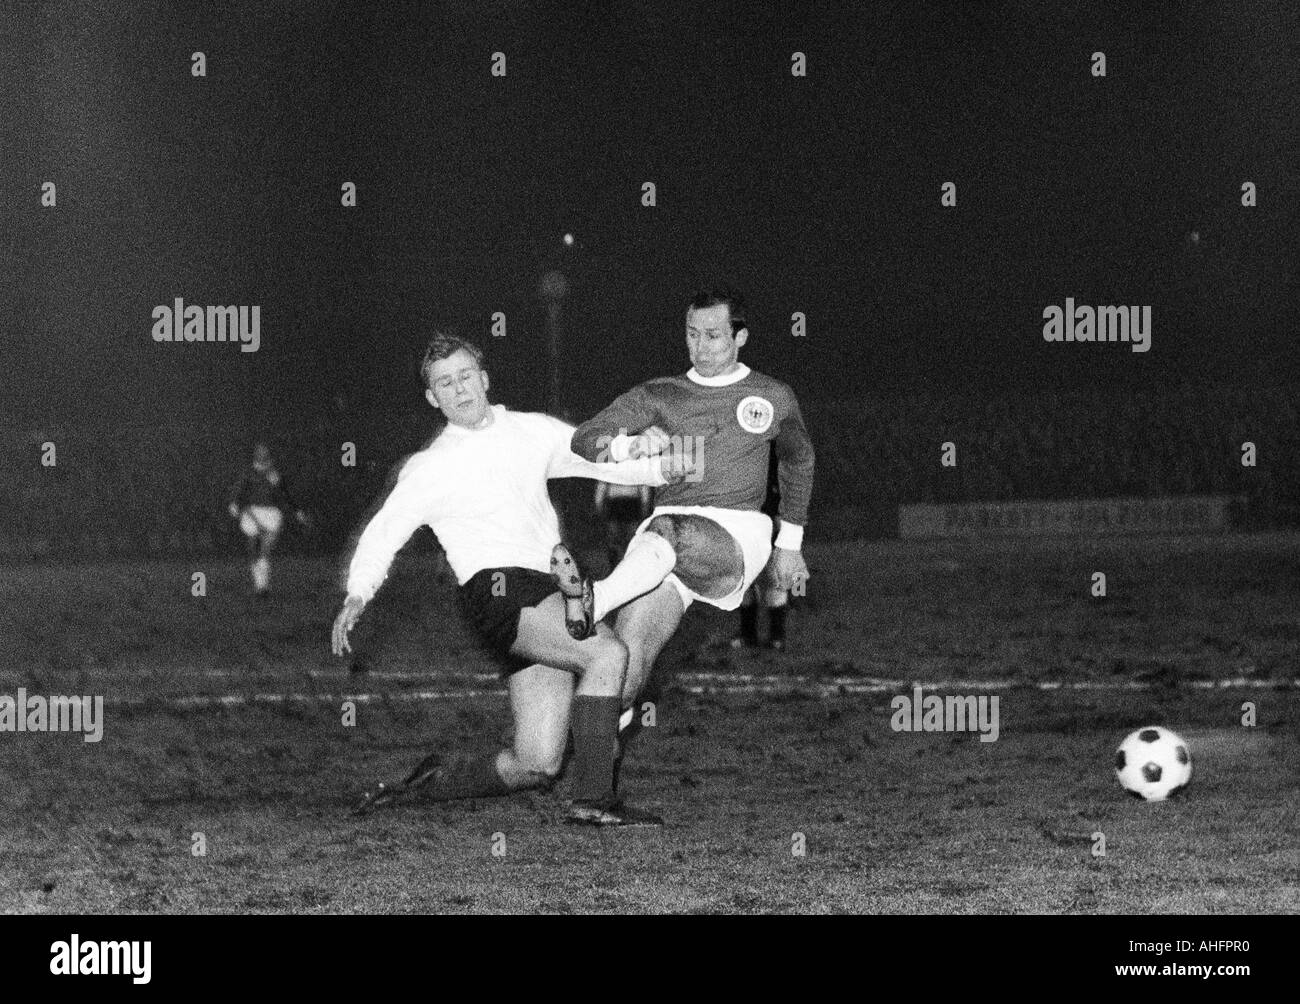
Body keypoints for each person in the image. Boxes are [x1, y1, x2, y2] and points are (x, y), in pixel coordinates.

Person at [331, 334, 686, 826]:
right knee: (607, 653)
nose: (458, 389)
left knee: (538, 762)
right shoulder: (431, 466)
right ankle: (594, 800)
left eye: (464, 376)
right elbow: (384, 530)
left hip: (545, 589)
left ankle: (429, 784)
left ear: (484, 378)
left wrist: (661, 464)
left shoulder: (532, 430)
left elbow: (594, 457)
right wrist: (358, 591)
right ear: (433, 398)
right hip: (497, 591)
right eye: (444, 383)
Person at [556, 284, 814, 721]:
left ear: (740, 337)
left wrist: (789, 544)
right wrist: (629, 446)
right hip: (662, 542)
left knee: (671, 528)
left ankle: (595, 600)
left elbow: (799, 458)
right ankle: (594, 768)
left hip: (736, 535)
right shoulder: (659, 395)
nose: (700, 345)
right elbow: (583, 439)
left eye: (713, 335)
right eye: (692, 333)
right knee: (624, 657)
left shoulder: (771, 396)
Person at [226, 442, 306, 596]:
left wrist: (297, 511)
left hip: (271, 513)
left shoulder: (274, 474)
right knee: (252, 549)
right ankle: (259, 584)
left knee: (264, 551)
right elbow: (238, 489)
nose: (262, 455)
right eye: (259, 452)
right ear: (255, 455)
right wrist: (234, 503)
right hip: (251, 512)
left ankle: (262, 586)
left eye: (265, 452)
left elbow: (285, 494)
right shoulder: (248, 472)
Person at [732, 451, 790, 651]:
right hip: (746, 511)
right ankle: (748, 634)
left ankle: (777, 635)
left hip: (770, 510)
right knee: (744, 576)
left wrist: (778, 514)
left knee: (776, 575)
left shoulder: (776, 441)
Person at [594, 481, 654, 568]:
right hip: (614, 504)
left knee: (632, 539)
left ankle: (630, 567)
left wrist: (645, 505)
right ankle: (615, 567)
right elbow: (601, 486)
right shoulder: (610, 468)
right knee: (614, 539)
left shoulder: (636, 467)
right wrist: (599, 504)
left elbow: (644, 485)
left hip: (632, 504)